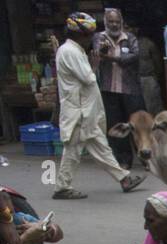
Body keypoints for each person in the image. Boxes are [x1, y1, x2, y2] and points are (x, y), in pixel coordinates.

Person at [52, 14, 145, 200]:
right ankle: (62, 186)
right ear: (81, 35)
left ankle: (124, 179)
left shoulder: (74, 50)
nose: (90, 40)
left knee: (101, 147)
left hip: (86, 111)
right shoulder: (69, 51)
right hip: (78, 111)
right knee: (73, 150)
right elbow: (87, 77)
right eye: (88, 35)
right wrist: (94, 65)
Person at [94, 8, 143, 170]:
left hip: (130, 89)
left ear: (121, 23)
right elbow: (97, 55)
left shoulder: (130, 38)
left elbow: (135, 56)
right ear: (105, 22)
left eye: (117, 22)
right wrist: (103, 52)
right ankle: (124, 159)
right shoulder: (99, 38)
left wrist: (113, 58)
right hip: (109, 89)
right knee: (115, 125)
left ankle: (145, 157)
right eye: (111, 22)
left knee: (137, 124)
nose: (114, 25)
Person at [136, 24, 164, 115]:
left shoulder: (148, 43)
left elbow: (158, 62)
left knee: (152, 107)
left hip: (147, 78)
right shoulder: (125, 43)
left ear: (136, 29)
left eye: (128, 27)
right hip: (131, 81)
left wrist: (155, 77)